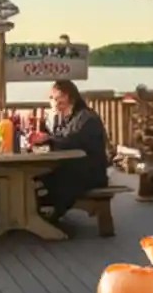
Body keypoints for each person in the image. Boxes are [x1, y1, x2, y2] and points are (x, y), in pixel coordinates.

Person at [28, 80, 110, 221]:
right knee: (37, 175)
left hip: (90, 175)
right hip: (81, 171)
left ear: (65, 96)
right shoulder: (71, 118)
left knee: (42, 175)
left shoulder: (86, 118)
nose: (52, 102)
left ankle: (35, 214)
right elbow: (62, 139)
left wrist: (47, 139)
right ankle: (33, 212)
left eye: (53, 97)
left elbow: (70, 141)